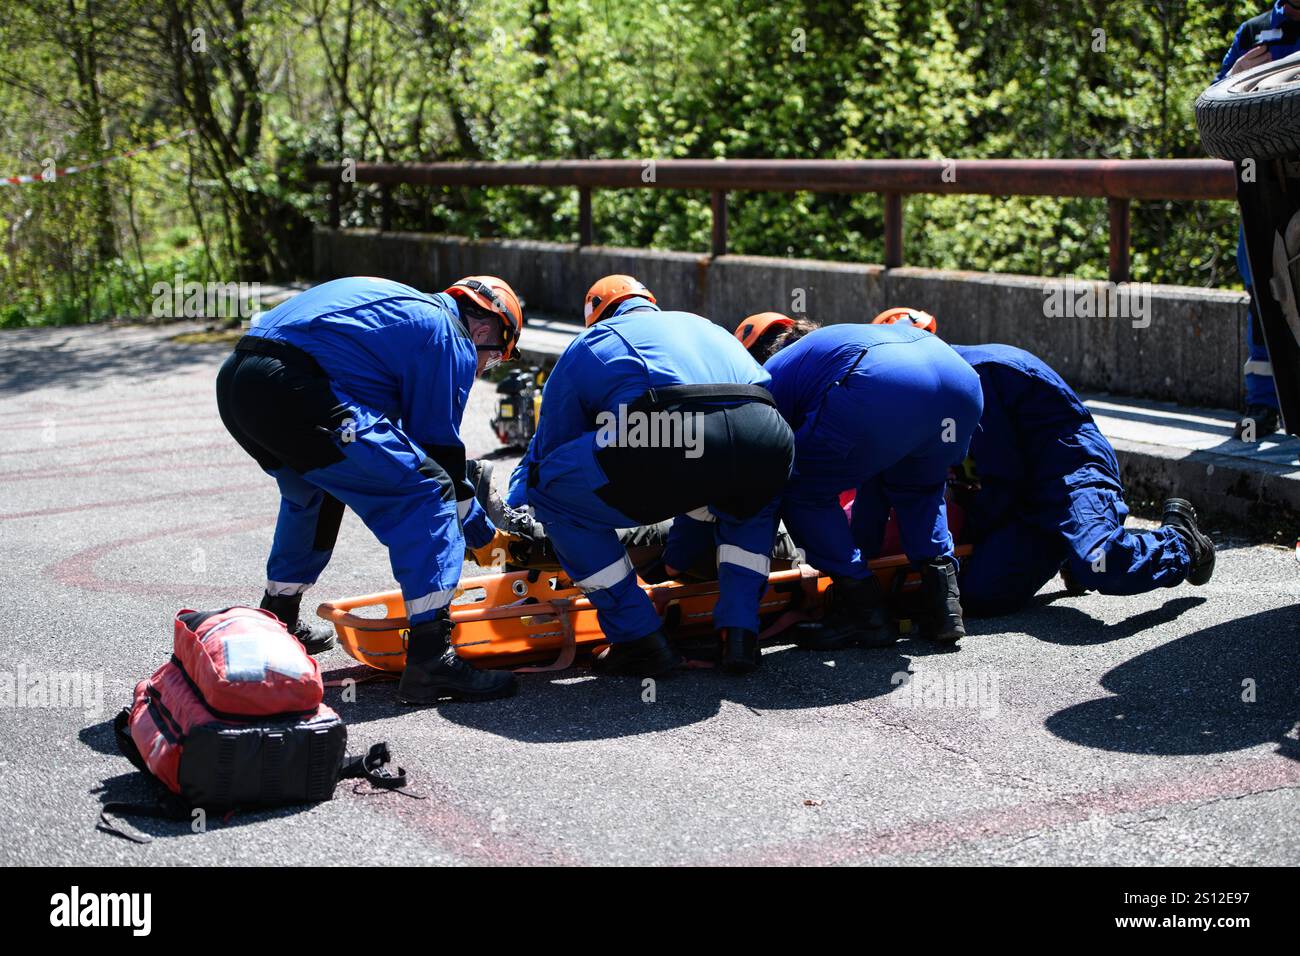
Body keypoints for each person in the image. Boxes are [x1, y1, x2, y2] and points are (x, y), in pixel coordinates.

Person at [215, 275, 524, 704]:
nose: (481, 368)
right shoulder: (449, 334)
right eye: (491, 361)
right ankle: (431, 660)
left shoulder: (406, 309)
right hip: (295, 387)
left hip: (240, 382)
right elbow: (439, 454)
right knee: (427, 493)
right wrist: (480, 533)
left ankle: (280, 616)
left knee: (313, 493)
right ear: (485, 329)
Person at [510, 275, 794, 675]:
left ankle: (638, 638)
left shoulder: (594, 341)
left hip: (670, 428)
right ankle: (739, 639)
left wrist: (520, 502)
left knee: (552, 489)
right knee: (746, 503)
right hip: (766, 431)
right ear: (650, 303)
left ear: (596, 315)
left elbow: (552, 446)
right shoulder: (706, 325)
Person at [869, 308, 1216, 615]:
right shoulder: (926, 397)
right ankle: (1066, 546)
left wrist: (976, 527)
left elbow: (1004, 475)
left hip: (1069, 473)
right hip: (1021, 500)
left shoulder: (981, 375)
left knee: (1100, 565)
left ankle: (1180, 541)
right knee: (980, 595)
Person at [736, 311, 983, 647]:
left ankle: (864, 614)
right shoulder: (837, 340)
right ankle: (945, 609)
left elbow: (761, 455)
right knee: (920, 488)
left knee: (802, 490)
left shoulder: (766, 375)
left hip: (881, 383)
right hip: (961, 382)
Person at [1219, 2, 1300, 438]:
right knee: (1263, 293)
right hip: (1265, 194)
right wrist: (1235, 80)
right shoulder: (1254, 32)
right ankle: (1264, 404)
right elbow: (1214, 104)